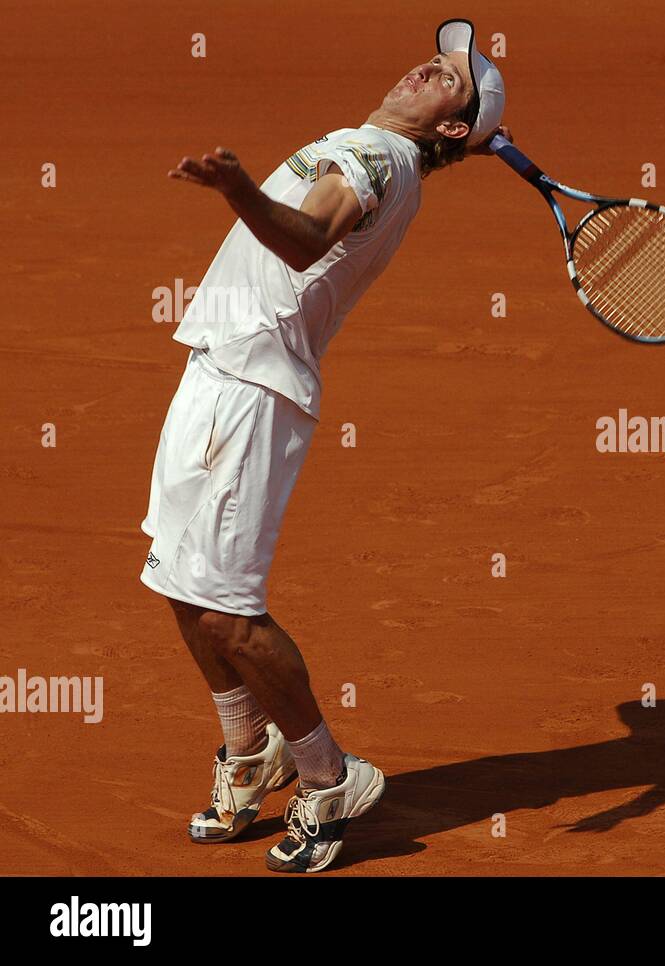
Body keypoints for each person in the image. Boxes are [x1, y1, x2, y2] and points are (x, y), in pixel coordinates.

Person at [140, 18, 506, 873]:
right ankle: (247, 750)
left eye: (452, 79)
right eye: (440, 57)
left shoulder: (378, 160)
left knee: (228, 609)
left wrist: (235, 188)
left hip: (254, 391)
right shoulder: (385, 148)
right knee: (177, 579)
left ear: (453, 125)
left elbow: (307, 240)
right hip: (218, 363)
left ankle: (327, 775)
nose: (432, 66)